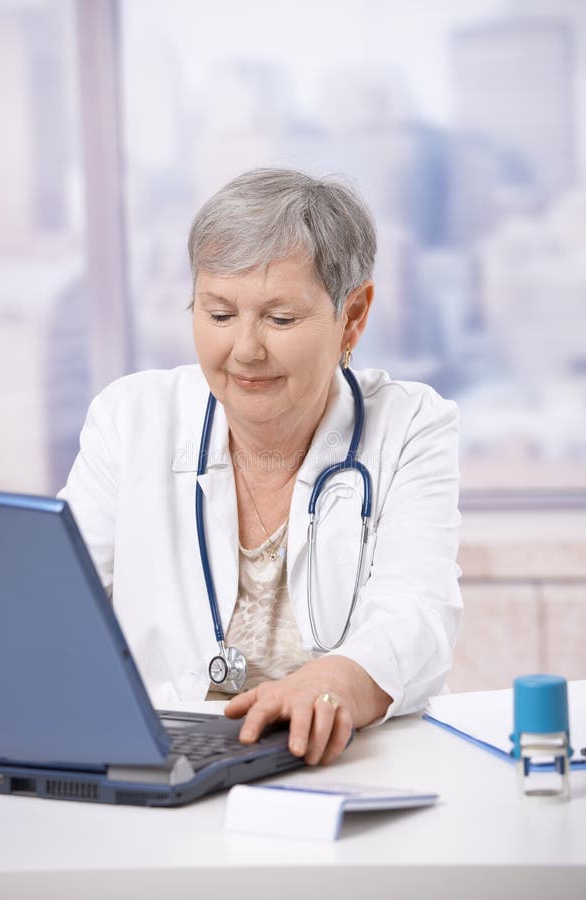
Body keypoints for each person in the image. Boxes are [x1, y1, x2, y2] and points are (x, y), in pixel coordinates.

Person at [58, 167, 462, 767]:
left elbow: (418, 612)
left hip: (339, 767)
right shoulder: (131, 418)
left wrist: (334, 682)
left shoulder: (410, 426)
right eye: (219, 315)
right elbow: (57, 605)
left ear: (352, 316)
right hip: (164, 763)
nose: (245, 350)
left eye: (280, 319)